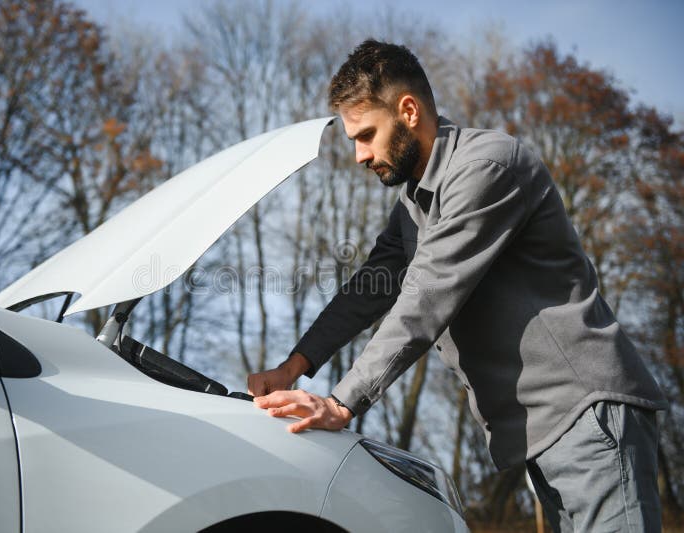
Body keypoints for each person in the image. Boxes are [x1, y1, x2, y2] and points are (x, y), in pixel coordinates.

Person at [247, 39, 668, 532]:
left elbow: (427, 296)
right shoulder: (413, 205)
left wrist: (342, 402)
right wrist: (293, 367)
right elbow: (370, 287)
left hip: (585, 414)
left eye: (366, 135)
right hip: (544, 433)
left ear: (408, 111)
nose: (359, 155)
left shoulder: (486, 167)